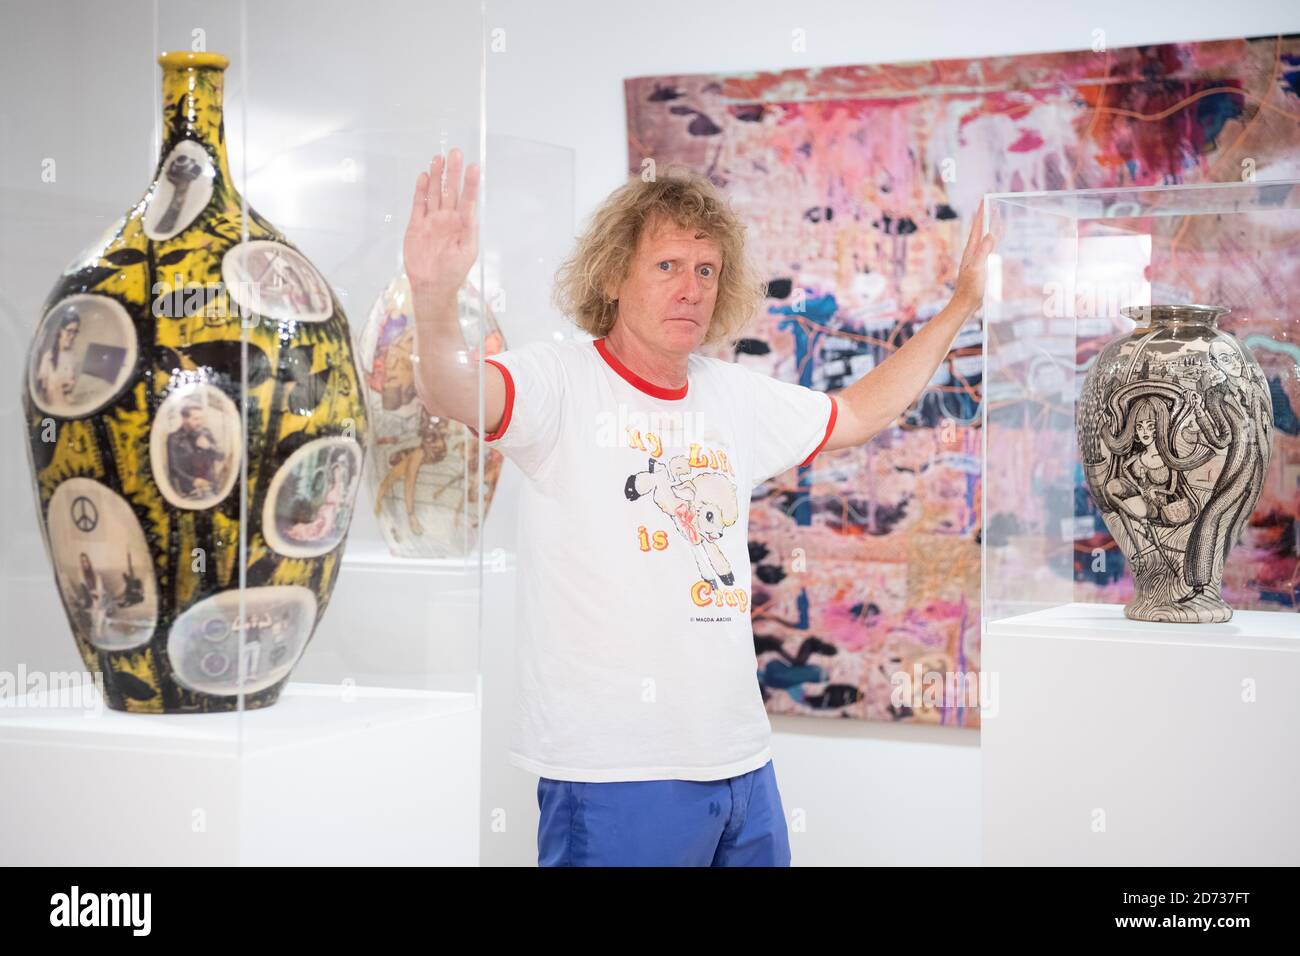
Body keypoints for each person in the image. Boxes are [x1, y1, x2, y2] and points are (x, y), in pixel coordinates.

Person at [404, 148, 994, 867]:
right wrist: (433, 299)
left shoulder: (731, 394)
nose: (691, 289)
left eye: (706, 270)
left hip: (742, 764)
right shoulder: (559, 381)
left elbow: (857, 414)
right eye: (667, 267)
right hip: (616, 775)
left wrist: (962, 303)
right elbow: (450, 391)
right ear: (615, 275)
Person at [167, 402, 225, 500]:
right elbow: (174, 468)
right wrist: (193, 481)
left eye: (201, 418)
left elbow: (221, 456)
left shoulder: (206, 432)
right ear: (184, 419)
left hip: (212, 488)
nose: (200, 422)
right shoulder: (174, 438)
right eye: (196, 419)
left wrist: (209, 447)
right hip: (190, 493)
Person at [35, 310, 82, 408]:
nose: (72, 336)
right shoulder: (48, 357)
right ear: (61, 330)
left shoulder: (72, 356)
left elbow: (70, 386)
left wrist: (70, 387)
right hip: (53, 406)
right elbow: (41, 392)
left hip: (67, 404)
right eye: (69, 331)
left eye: (75, 332)